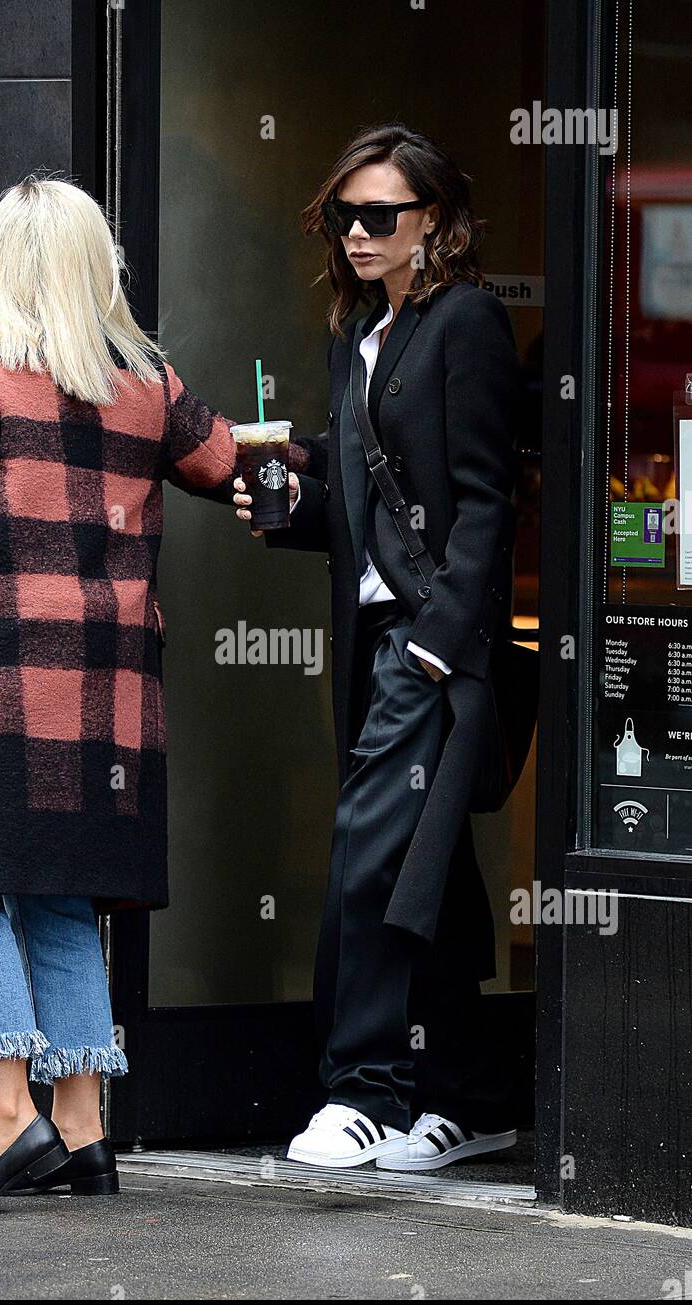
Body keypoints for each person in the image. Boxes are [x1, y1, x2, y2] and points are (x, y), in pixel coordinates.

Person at [0, 175, 239, 1212]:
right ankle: (82, 1127)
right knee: (60, 896)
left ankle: (6, 1121)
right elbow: (220, 462)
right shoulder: (148, 376)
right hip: (114, 691)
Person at [234, 124, 522, 1171]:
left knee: (364, 855)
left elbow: (488, 499)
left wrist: (441, 645)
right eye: (341, 216)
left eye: (380, 216)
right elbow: (363, 509)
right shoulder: (358, 334)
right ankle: (472, 1097)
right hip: (365, 637)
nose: (356, 233)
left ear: (432, 222)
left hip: (422, 640)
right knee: (421, 872)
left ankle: (362, 1086)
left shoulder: (465, 325)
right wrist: (289, 504)